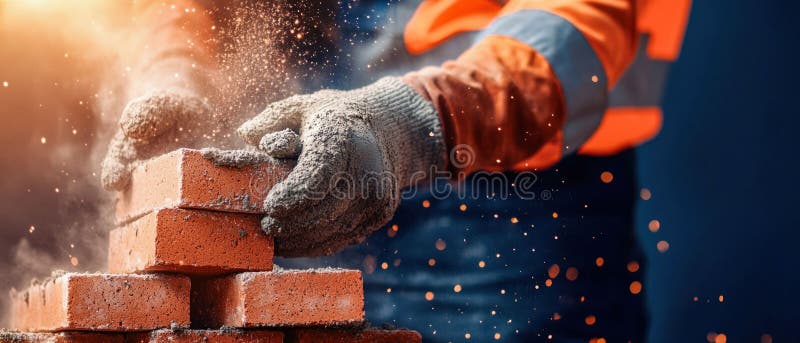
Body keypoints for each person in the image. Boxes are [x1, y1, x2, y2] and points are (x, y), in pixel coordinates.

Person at [102, 0, 691, 341]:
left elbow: (575, 24)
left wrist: (413, 122)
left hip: (514, 224)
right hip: (307, 186)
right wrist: (173, 61)